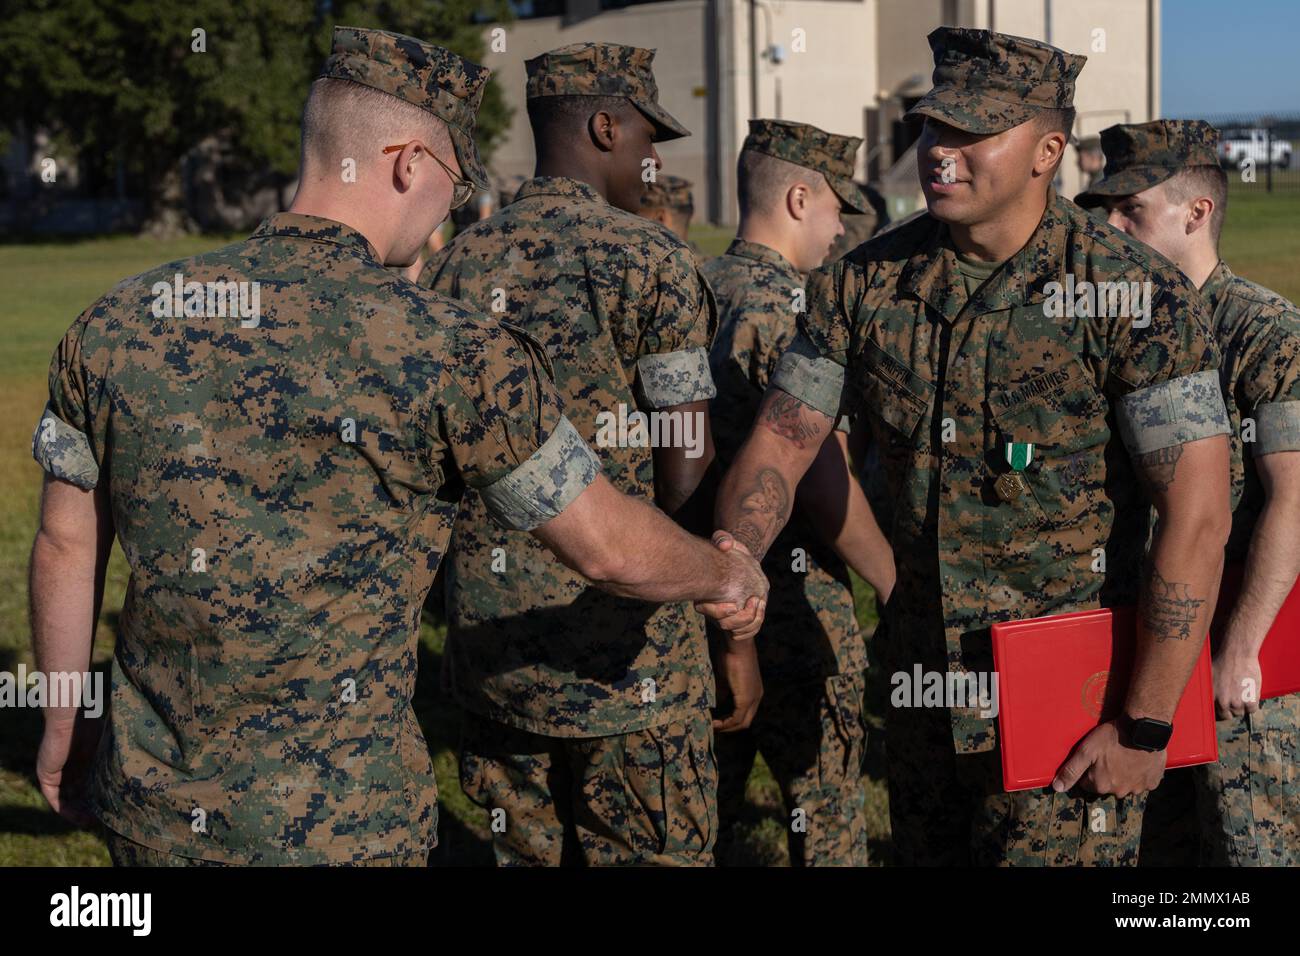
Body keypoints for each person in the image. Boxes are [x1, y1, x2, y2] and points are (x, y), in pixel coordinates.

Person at [28, 27, 765, 868]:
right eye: (454, 187)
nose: (449, 212)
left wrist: (62, 715)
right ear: (409, 164)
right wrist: (726, 574)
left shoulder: (119, 319)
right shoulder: (457, 352)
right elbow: (604, 548)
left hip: (153, 812)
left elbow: (64, 539)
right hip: (349, 826)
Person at [712, 27, 1233, 866]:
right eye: (932, 128)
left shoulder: (1131, 295)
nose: (940, 154)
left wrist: (1144, 721)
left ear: (1047, 151)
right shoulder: (862, 282)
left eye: (972, 131)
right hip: (923, 688)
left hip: (1071, 704)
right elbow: (781, 441)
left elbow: (1197, 514)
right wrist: (737, 563)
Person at [421, 42, 741, 866]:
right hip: (631, 664)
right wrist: (726, 623)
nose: (652, 157)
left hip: (497, 655)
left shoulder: (455, 263)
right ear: (606, 126)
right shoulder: (650, 258)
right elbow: (686, 465)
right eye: (646, 136)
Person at [1082, 119, 1300, 865]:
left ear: (1195, 213)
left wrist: (1242, 646)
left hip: (1241, 653)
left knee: (1246, 848)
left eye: (1129, 211)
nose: (1108, 227)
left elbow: (1294, 498)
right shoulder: (1114, 327)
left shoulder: (1266, 329)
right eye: (1100, 210)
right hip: (1141, 646)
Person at [704, 118, 894, 866]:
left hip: (696, 591)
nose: (841, 224)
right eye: (834, 206)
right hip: (791, 599)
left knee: (701, 815)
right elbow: (820, 477)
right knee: (824, 815)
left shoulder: (689, 286)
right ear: (796, 197)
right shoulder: (797, 309)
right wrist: (891, 582)